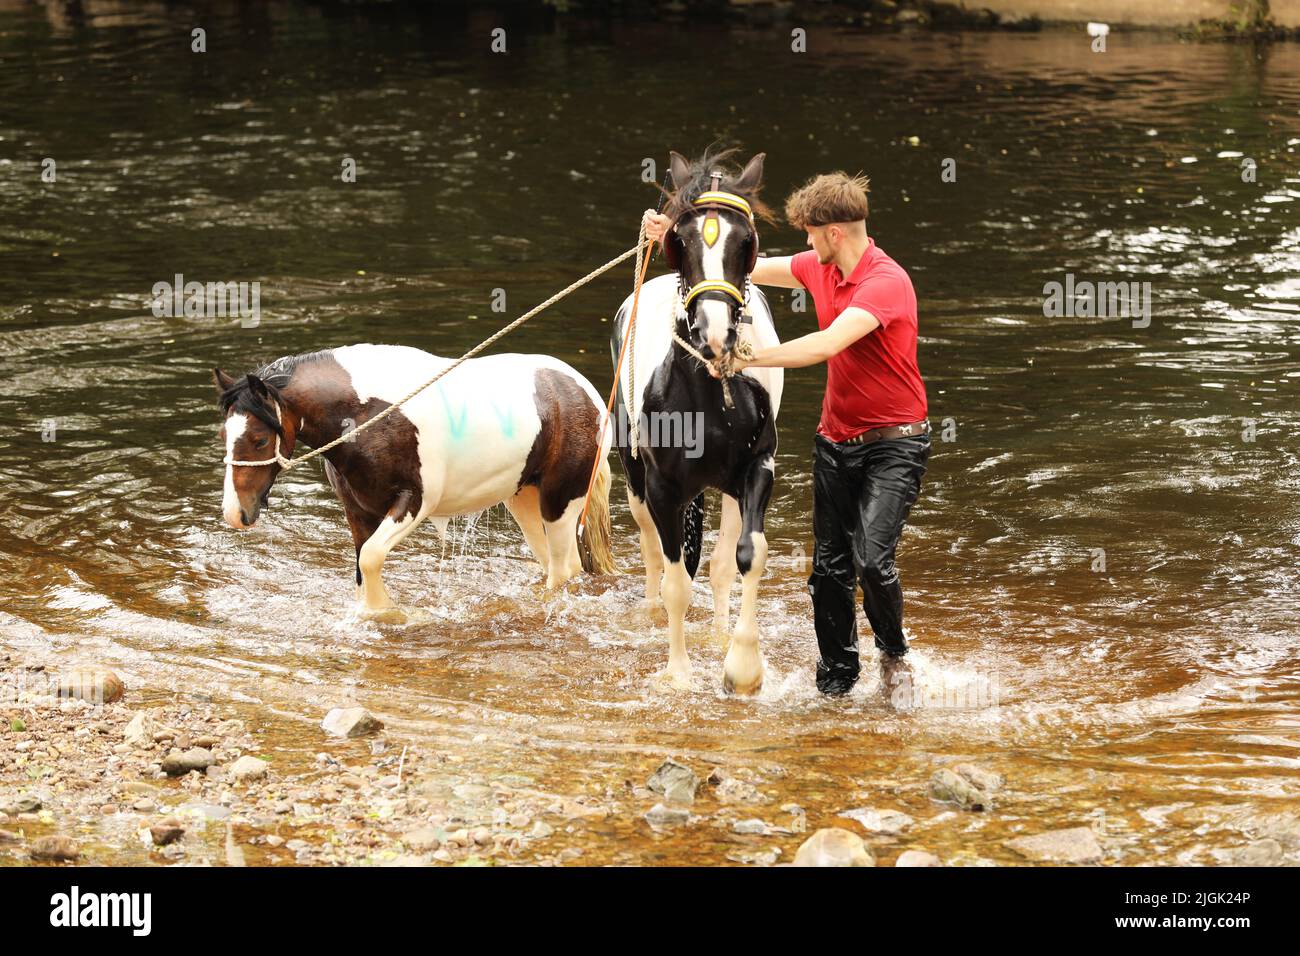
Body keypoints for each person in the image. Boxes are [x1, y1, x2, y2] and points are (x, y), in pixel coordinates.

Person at [642, 171, 930, 696]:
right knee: (828, 571)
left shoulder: (884, 282)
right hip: (836, 440)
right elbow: (737, 268)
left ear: (834, 233)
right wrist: (674, 236)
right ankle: (838, 681)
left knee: (870, 558)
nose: (805, 242)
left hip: (896, 443)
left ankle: (894, 656)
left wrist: (744, 356)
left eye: (810, 233)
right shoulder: (820, 268)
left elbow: (825, 344)